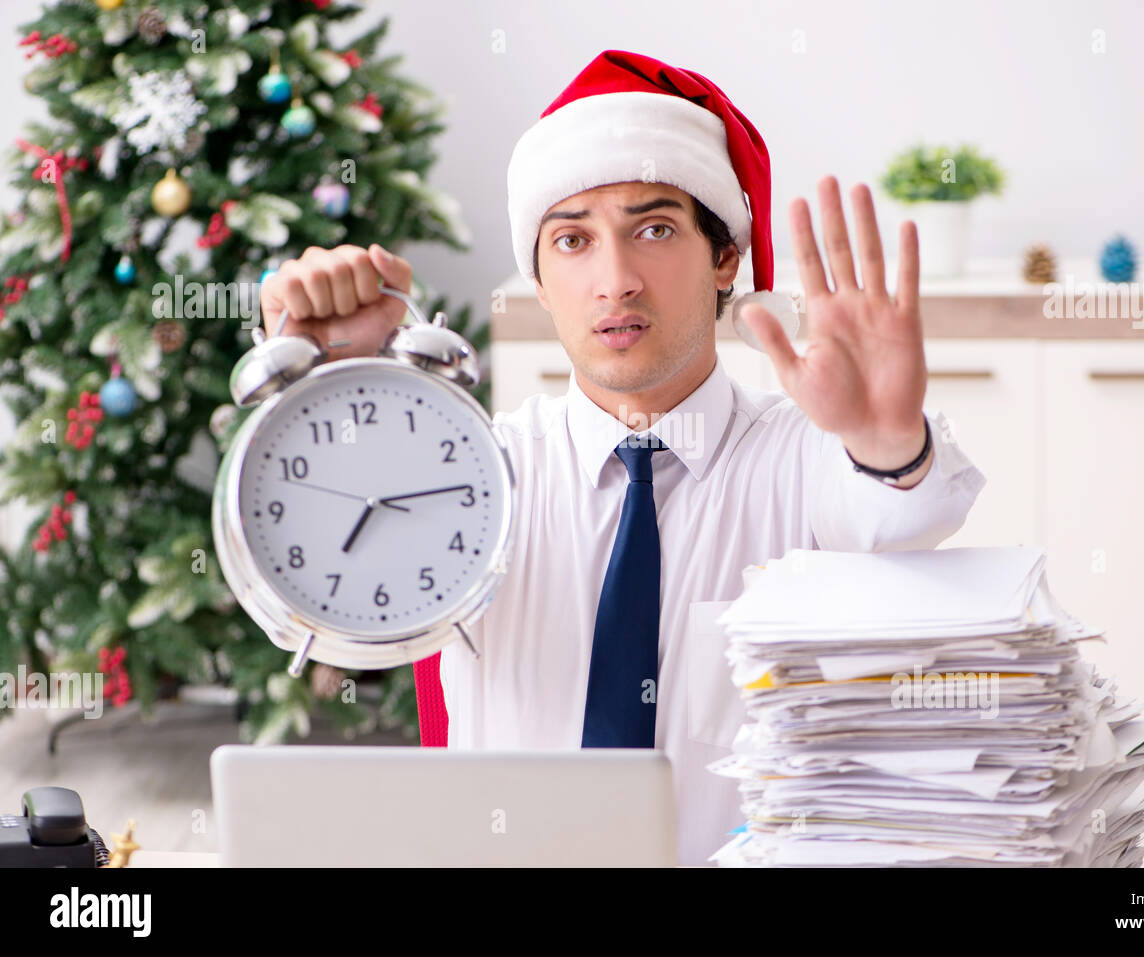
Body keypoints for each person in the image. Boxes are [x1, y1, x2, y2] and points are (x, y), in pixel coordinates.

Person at [258, 49, 987, 866]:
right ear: (538, 278)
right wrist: (323, 399)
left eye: (654, 228)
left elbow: (903, 509)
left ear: (724, 259)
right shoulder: (476, 474)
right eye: (572, 239)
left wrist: (888, 442)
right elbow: (318, 609)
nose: (615, 280)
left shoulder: (803, 455)